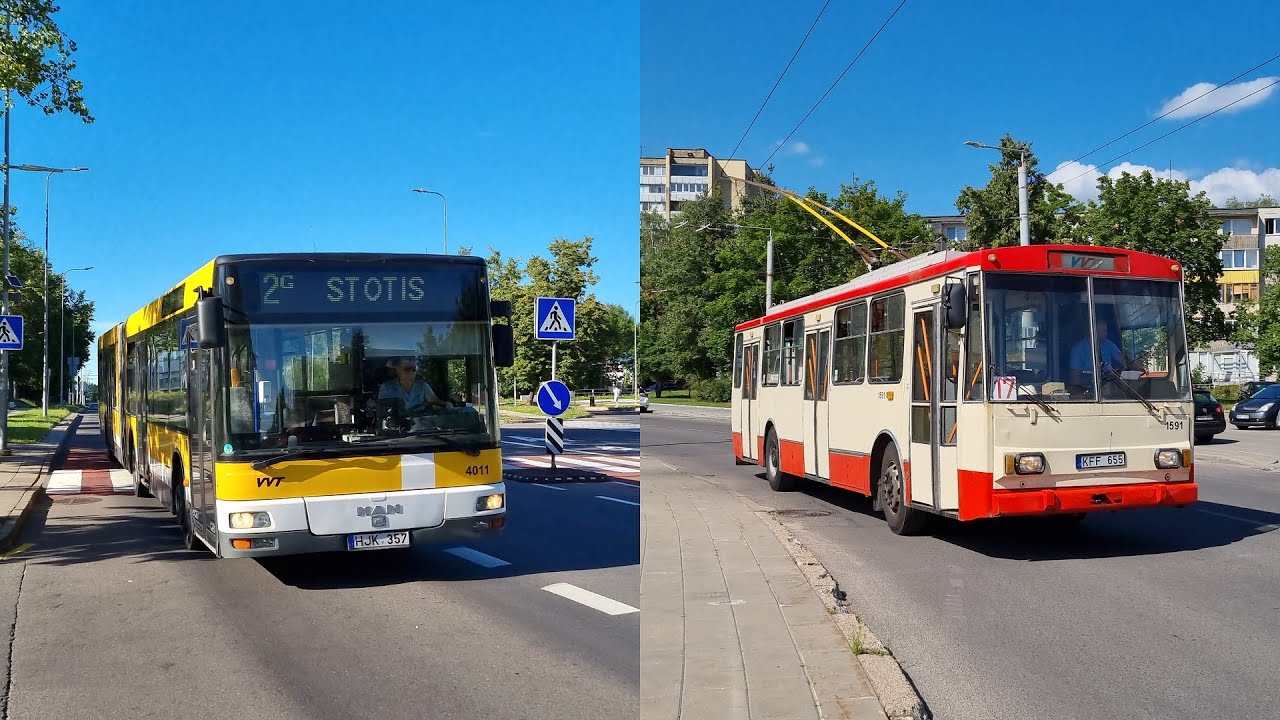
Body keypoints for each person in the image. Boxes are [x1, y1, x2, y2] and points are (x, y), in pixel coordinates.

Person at [1068, 318, 1136, 387]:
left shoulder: (1108, 344)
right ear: (1092, 330)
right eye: (1103, 331)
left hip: (1111, 385)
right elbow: (1075, 378)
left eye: (1106, 331)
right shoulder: (1078, 349)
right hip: (1089, 389)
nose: (1106, 333)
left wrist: (1137, 366)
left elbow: (1123, 360)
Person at [378, 357, 450, 410]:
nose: (411, 373)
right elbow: (383, 411)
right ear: (397, 369)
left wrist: (445, 405)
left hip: (420, 426)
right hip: (397, 427)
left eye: (414, 369)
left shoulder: (422, 385)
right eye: (407, 369)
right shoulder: (386, 387)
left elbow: (435, 401)